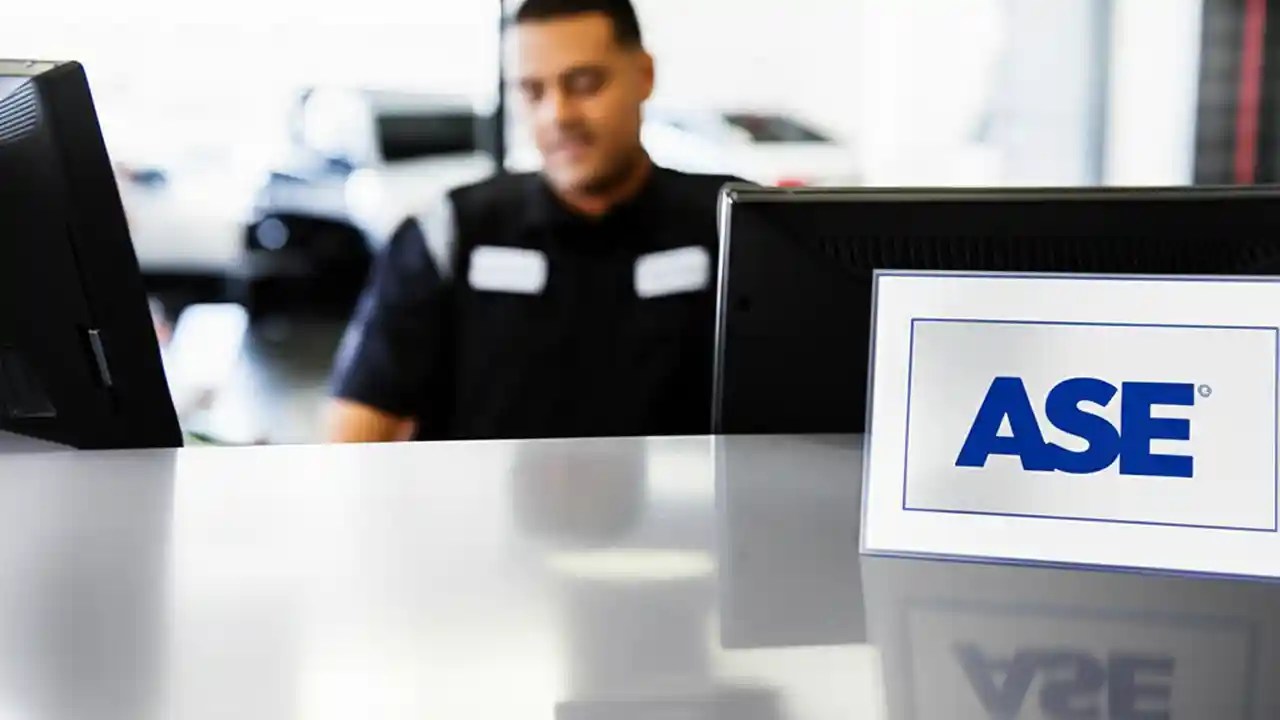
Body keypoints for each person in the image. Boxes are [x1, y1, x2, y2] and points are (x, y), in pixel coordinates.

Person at [326, 0, 741, 442]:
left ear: (644, 74)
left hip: (689, 491)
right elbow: (355, 433)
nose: (558, 115)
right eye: (532, 91)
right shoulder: (450, 232)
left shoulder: (735, 227)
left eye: (585, 83)